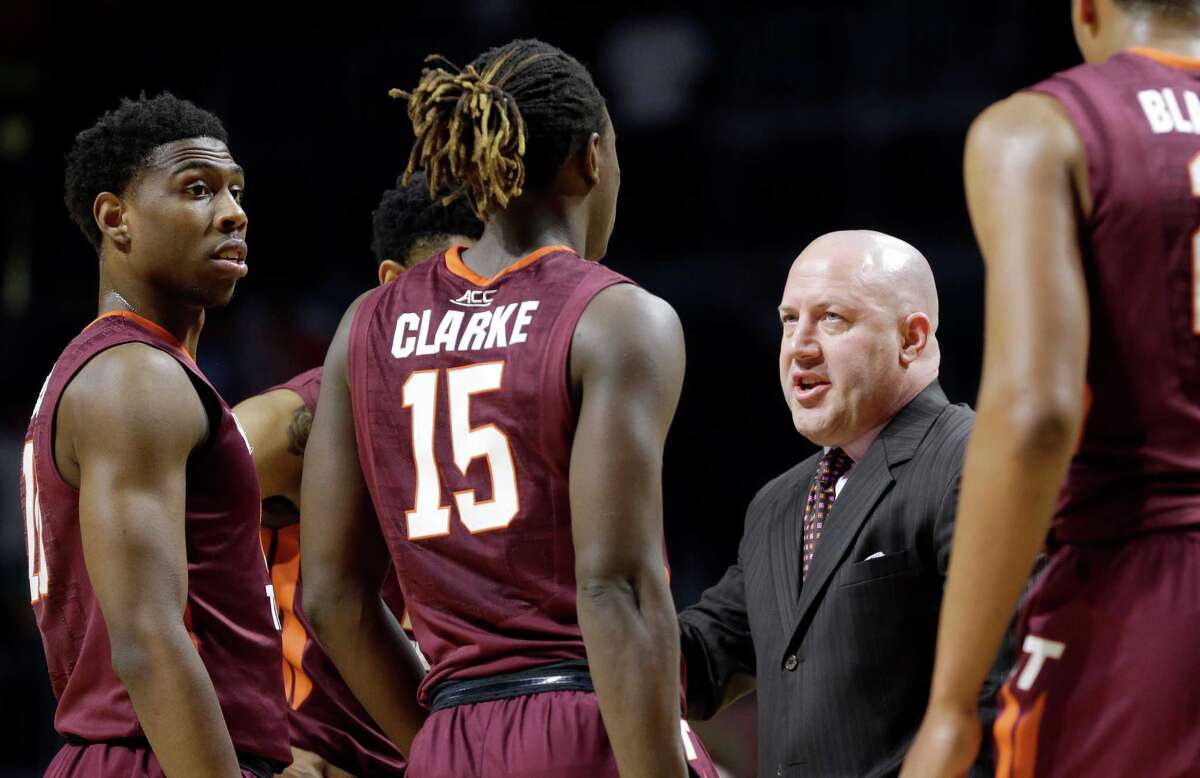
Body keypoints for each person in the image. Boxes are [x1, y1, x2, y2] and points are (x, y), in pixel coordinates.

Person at [299, 39, 717, 778]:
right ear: (592, 158)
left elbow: (331, 596)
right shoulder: (615, 315)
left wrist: (435, 742)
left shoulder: (366, 323)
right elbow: (615, 587)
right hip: (588, 717)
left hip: (448, 735)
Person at [902, 2, 1200, 776]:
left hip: (1144, 589)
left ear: (1088, 10)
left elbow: (1036, 415)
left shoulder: (1041, 129)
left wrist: (948, 704)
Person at [18, 93, 289, 777]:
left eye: (235, 191)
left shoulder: (130, 369)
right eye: (197, 190)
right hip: (156, 757)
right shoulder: (135, 376)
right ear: (117, 219)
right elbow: (147, 640)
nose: (232, 212)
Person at [678, 231, 1007, 778]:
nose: (799, 347)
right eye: (788, 320)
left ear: (912, 338)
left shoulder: (971, 460)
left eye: (831, 318)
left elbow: (1003, 694)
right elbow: (707, 656)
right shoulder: (778, 505)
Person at [233, 171, 483, 777]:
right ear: (393, 286)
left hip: (461, 750)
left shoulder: (521, 417)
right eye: (455, 282)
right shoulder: (293, 424)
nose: (474, 311)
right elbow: (138, 566)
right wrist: (242, 736)